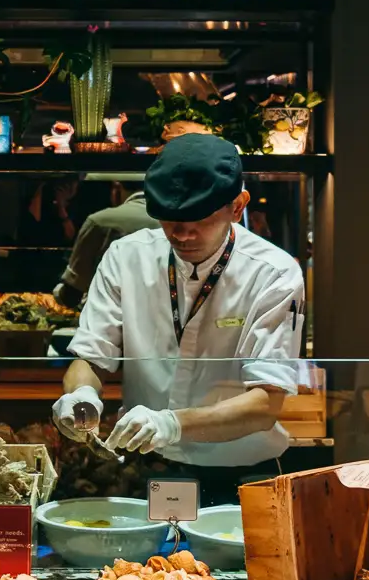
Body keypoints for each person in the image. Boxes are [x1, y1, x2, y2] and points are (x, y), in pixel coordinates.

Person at [53, 134, 305, 502]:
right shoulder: (126, 257)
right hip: (149, 467)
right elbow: (90, 358)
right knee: (155, 562)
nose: (183, 233)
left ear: (237, 206)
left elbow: (265, 405)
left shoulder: (274, 273)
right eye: (170, 218)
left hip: (244, 473)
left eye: (200, 218)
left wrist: (171, 423)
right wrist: (82, 395)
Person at [52, 180, 161, 311]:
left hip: (108, 322)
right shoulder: (173, 223)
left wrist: (57, 293)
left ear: (117, 188)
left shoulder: (99, 221)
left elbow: (72, 295)